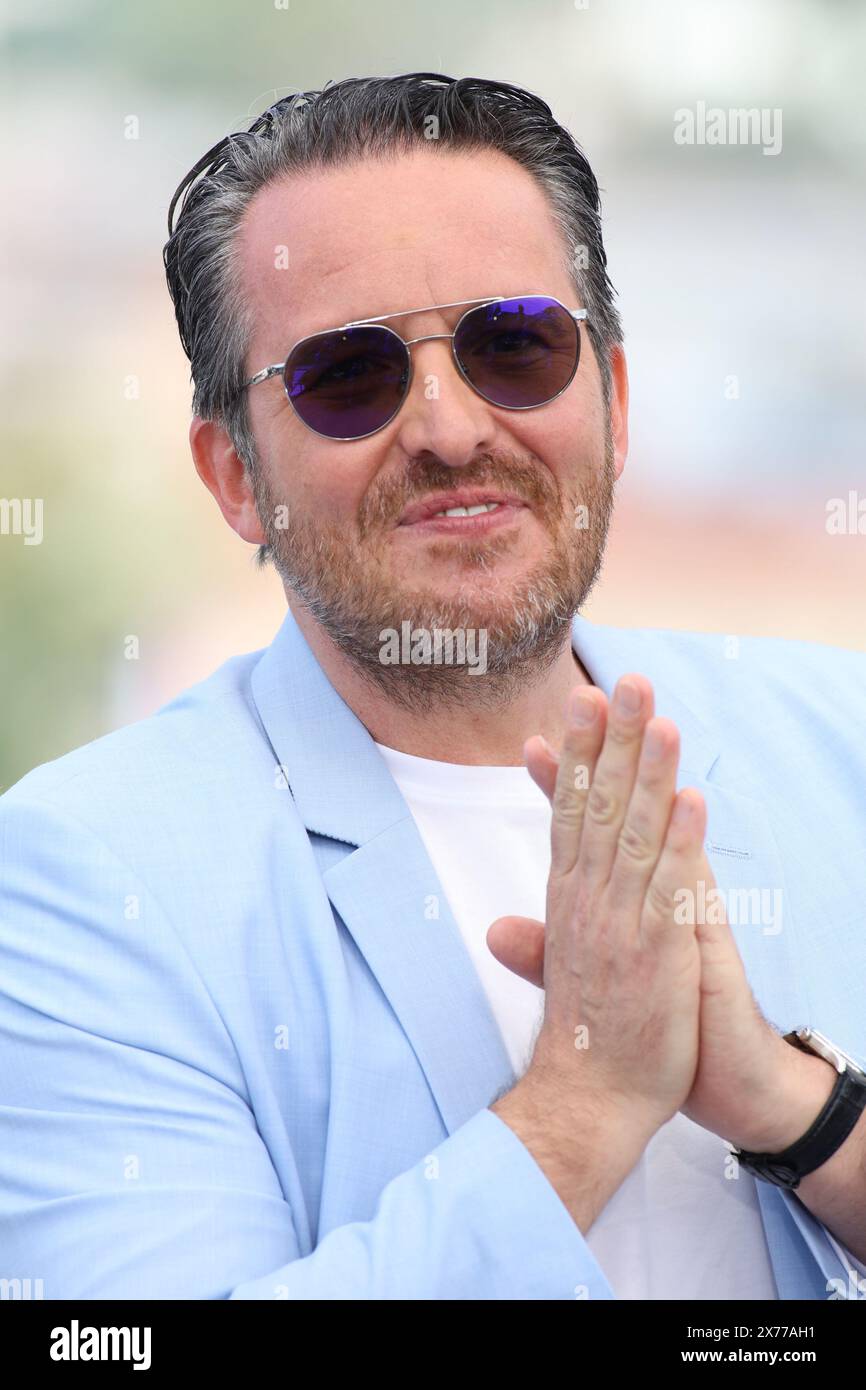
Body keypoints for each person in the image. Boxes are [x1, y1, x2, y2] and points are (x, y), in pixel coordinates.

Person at [1, 73, 865, 1301]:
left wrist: (799, 1110)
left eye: (514, 345)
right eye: (348, 375)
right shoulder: (85, 880)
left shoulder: (843, 742)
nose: (452, 429)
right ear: (235, 475)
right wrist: (581, 1102)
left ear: (610, 399)